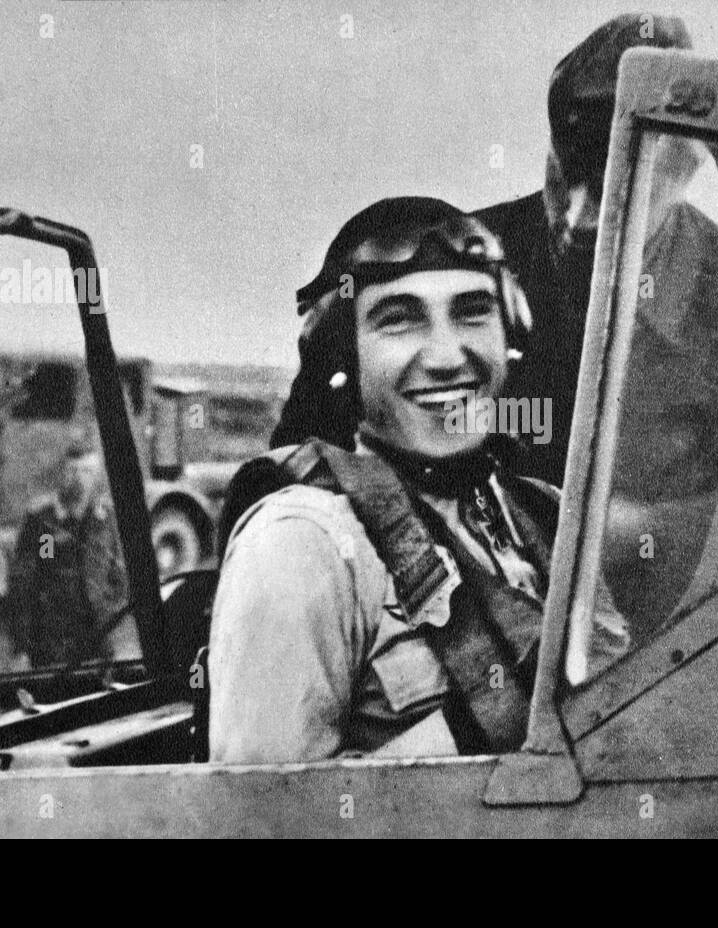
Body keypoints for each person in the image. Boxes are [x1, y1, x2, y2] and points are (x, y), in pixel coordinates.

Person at [210, 197, 628, 764]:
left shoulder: (552, 517)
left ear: (512, 328)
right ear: (345, 354)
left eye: (472, 311)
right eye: (399, 319)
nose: (446, 356)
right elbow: (259, 823)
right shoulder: (300, 545)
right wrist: (480, 724)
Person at [472, 13, 718, 633]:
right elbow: (309, 455)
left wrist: (643, 528)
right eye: (568, 181)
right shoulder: (455, 265)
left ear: (687, 169)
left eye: (618, 190)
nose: (579, 218)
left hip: (658, 659)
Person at [8, 439, 128, 667]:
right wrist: (21, 648)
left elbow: (119, 575)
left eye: (88, 471)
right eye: (74, 470)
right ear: (62, 473)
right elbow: (24, 586)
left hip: (98, 643)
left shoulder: (104, 518)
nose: (81, 479)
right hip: (52, 646)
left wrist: (106, 611)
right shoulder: (44, 521)